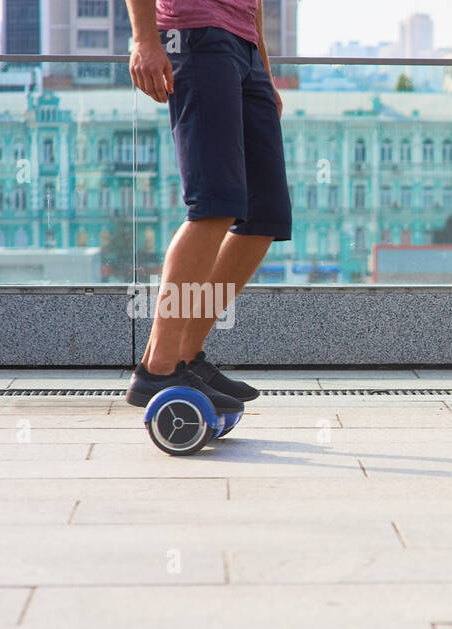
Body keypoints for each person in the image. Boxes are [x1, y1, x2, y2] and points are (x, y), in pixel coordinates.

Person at [123, 0, 292, 414]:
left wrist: (264, 72)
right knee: (213, 204)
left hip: (245, 47)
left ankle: (186, 355)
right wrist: (145, 39)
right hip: (195, 35)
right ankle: (158, 370)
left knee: (264, 215)